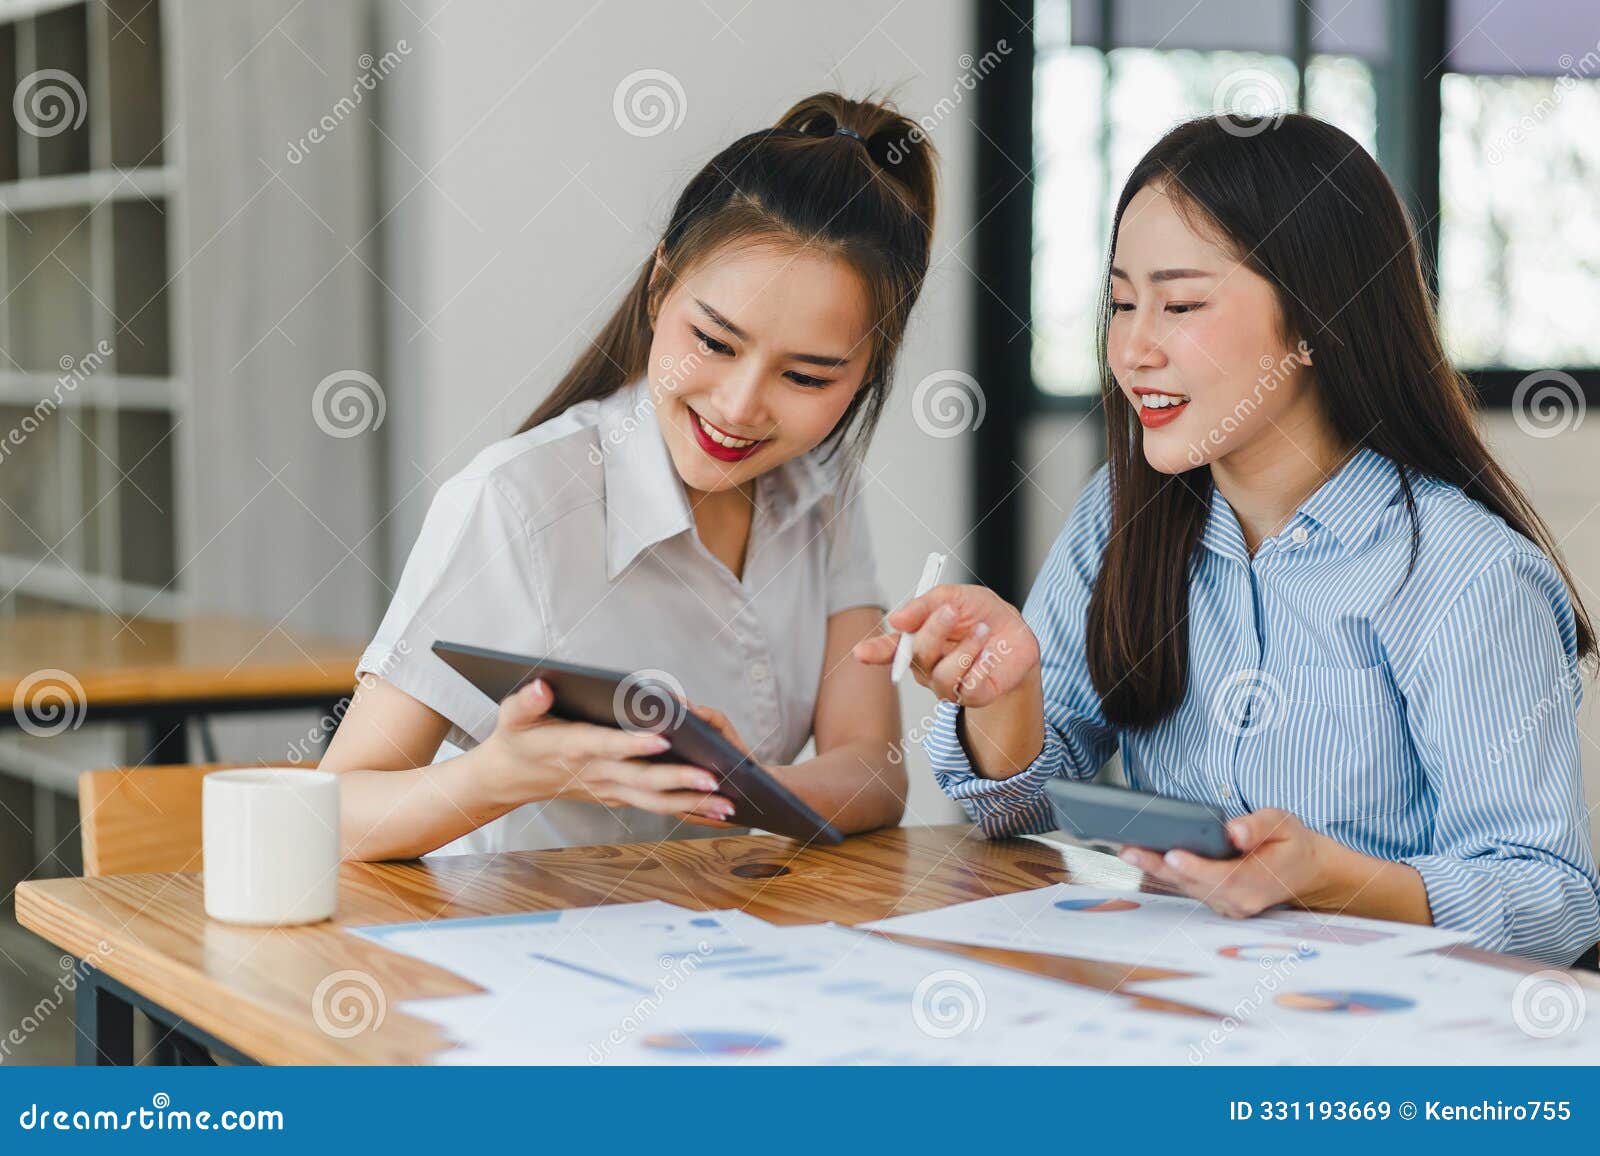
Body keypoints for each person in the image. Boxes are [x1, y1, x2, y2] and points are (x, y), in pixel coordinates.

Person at [856, 113, 1600, 966]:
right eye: (1122, 303)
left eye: (1179, 305)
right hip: (1175, 1002)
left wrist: (1327, 876)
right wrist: (1006, 695)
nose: (1133, 348)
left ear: (1318, 319)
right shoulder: (1120, 514)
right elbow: (1016, 813)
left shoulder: (1468, 574)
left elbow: (1552, 899)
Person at [324, 93, 937, 860]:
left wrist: (731, 783)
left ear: (867, 374)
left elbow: (874, 772)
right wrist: (503, 775)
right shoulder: (515, 502)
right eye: (714, 343)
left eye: (808, 378)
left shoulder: (820, 488)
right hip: (514, 945)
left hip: (713, 936)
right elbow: (336, 810)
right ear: (659, 292)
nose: (740, 407)